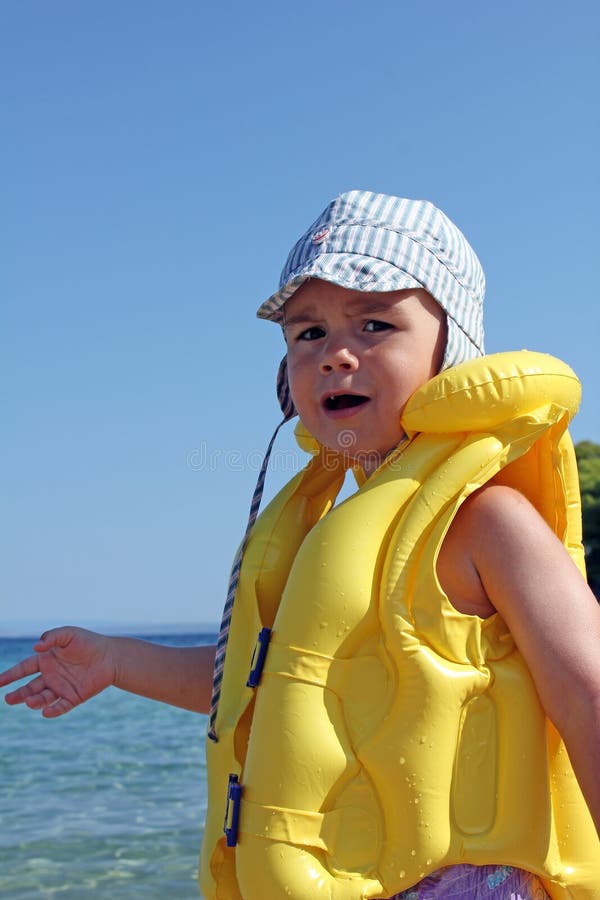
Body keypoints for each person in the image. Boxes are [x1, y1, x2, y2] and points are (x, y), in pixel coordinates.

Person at [2, 190, 600, 899]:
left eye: (375, 324)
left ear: (454, 352)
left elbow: (585, 692)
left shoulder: (488, 521)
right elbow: (260, 685)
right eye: (306, 333)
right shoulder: (330, 543)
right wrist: (117, 660)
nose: (335, 356)